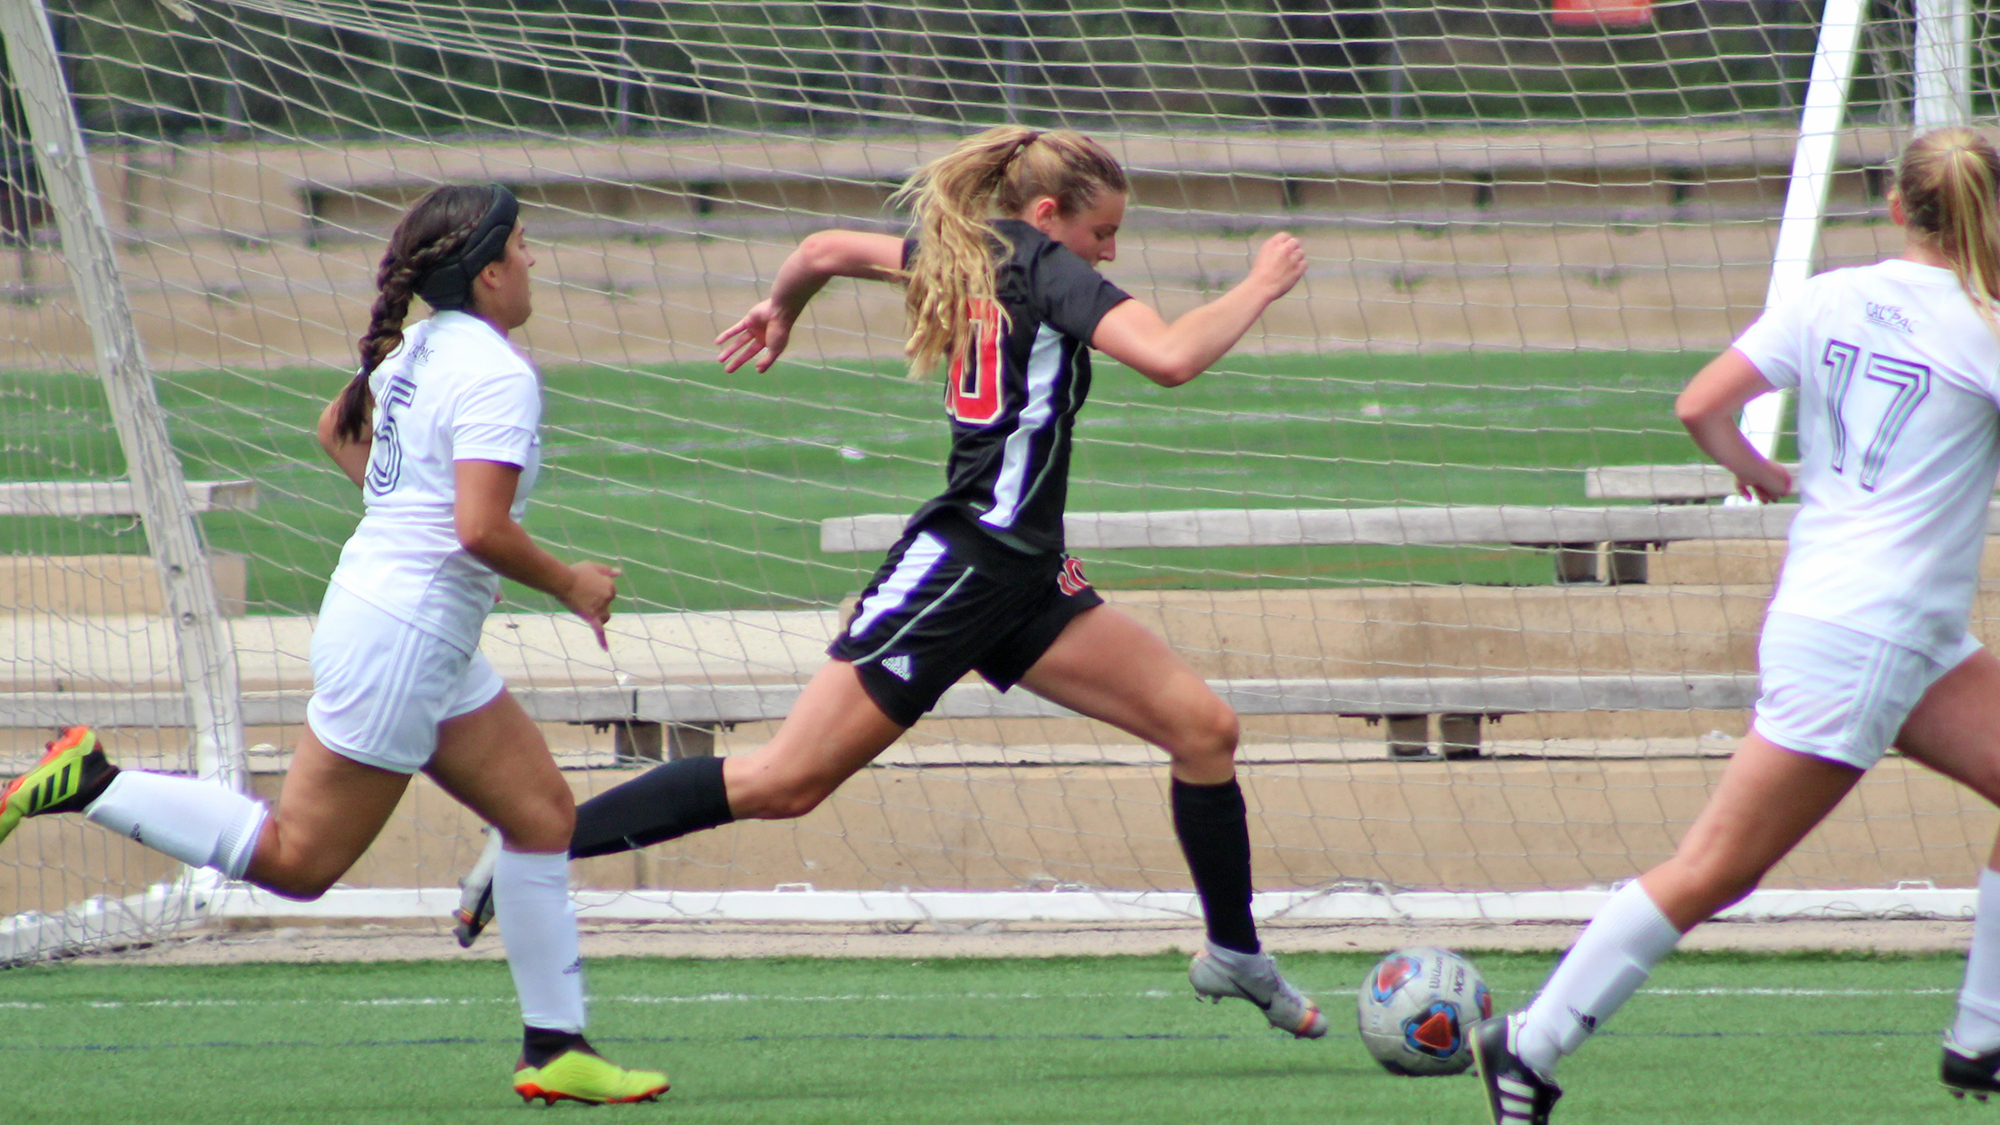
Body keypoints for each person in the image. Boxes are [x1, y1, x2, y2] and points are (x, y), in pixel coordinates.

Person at [455, 126, 1324, 1037]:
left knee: (1202, 728)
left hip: (1025, 575)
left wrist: (781, 308)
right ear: (1044, 216)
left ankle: (1234, 951)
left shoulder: (970, 250)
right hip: (965, 567)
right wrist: (1262, 282)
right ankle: (533, 842)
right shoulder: (1046, 268)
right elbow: (1172, 357)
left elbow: (822, 248)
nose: (1110, 254)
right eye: (1101, 233)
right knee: (786, 780)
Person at [0, 183, 668, 1106]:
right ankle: (91, 780)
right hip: (402, 639)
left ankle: (556, 1048)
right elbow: (478, 528)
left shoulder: (426, 347)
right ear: (487, 271)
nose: (533, 261)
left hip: (404, 627)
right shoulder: (496, 372)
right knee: (299, 861)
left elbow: (335, 430)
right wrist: (572, 582)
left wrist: (403, 518)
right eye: (522, 245)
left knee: (542, 816)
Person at [1473, 127, 2000, 1124]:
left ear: (1894, 208)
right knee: (1716, 866)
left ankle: (1982, 1034)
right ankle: (1528, 1047)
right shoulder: (1982, 330)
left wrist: (1756, 473)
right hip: (1867, 637)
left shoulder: (1826, 295)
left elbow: (1697, 405)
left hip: (1868, 622)